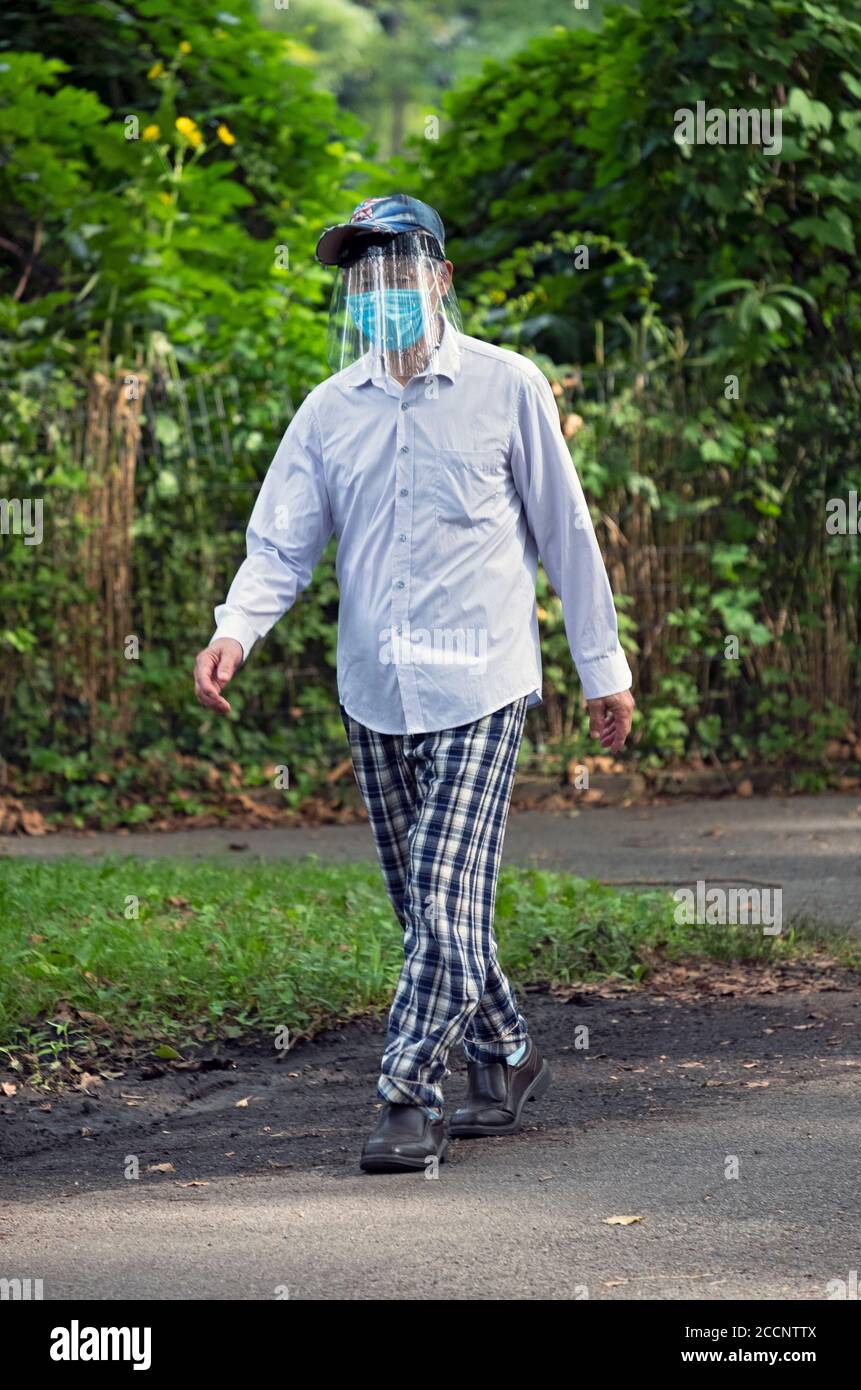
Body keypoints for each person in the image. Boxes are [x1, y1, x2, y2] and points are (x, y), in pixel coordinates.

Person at [193, 193, 635, 1174]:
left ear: (439, 278)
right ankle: (508, 1048)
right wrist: (234, 630)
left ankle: (406, 1095)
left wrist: (602, 670)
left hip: (481, 685)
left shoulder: (506, 386)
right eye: (362, 276)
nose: (379, 291)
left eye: (397, 271)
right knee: (428, 914)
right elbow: (280, 541)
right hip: (375, 695)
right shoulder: (329, 411)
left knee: (441, 903)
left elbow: (566, 531)